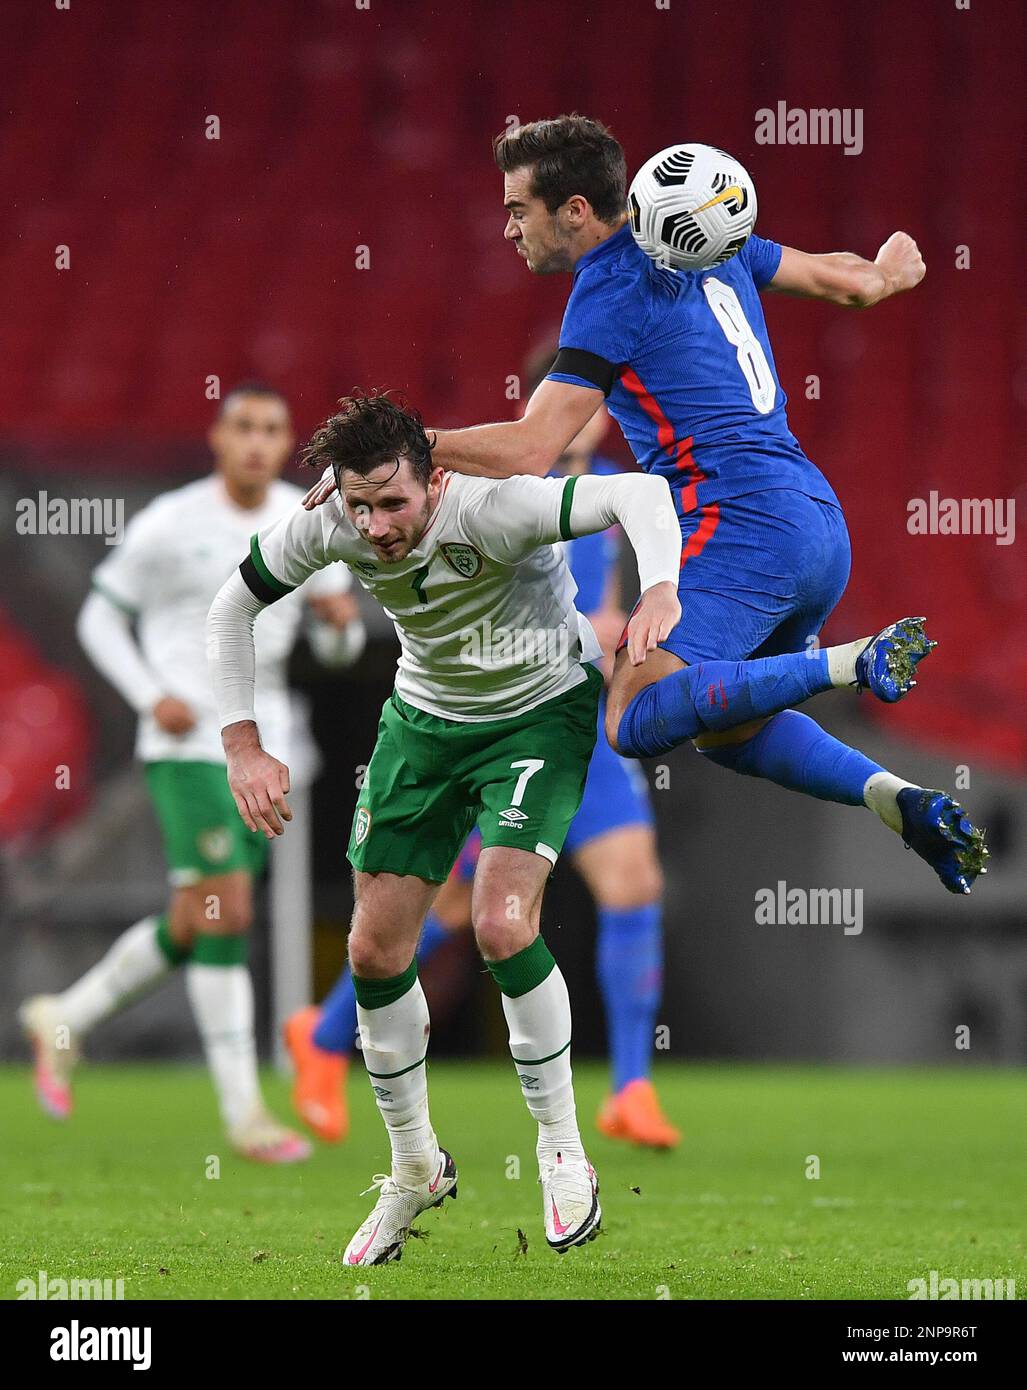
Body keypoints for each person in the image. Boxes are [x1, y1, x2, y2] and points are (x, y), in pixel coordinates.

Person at [303, 115, 987, 896]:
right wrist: (890, 270)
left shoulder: (612, 287)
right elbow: (851, 284)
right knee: (728, 728)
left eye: (518, 210)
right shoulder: (708, 238)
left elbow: (533, 447)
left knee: (632, 715)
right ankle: (896, 798)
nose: (507, 230)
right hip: (815, 522)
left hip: (739, 526)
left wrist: (399, 449)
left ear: (574, 211)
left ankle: (846, 662)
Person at [207, 390, 686, 1262]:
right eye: (361, 506)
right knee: (371, 951)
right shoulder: (330, 520)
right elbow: (231, 607)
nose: (376, 526)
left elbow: (640, 492)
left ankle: (561, 1149)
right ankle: (414, 1167)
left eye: (393, 503)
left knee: (501, 922)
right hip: (424, 723)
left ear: (434, 482)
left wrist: (659, 588)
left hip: (538, 713)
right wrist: (242, 745)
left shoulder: (497, 507)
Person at [286, 359, 680, 1151]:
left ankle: (632, 1086)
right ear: (536, 407)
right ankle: (324, 1037)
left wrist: (620, 635)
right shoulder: (488, 487)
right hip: (491, 726)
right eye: (564, 404)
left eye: (593, 405)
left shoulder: (606, 494)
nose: (582, 417)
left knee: (633, 882)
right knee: (456, 909)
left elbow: (603, 600)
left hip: (572, 717)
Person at [20, 383, 366, 1163]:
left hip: (267, 754)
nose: (256, 442)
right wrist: (152, 696)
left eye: (271, 429)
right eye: (243, 426)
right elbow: (99, 616)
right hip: (188, 748)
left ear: (286, 444)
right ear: (218, 437)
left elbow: (339, 651)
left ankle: (65, 1017)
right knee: (227, 911)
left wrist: (339, 629)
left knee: (198, 914)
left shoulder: (306, 519)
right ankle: (245, 1115)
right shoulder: (170, 521)